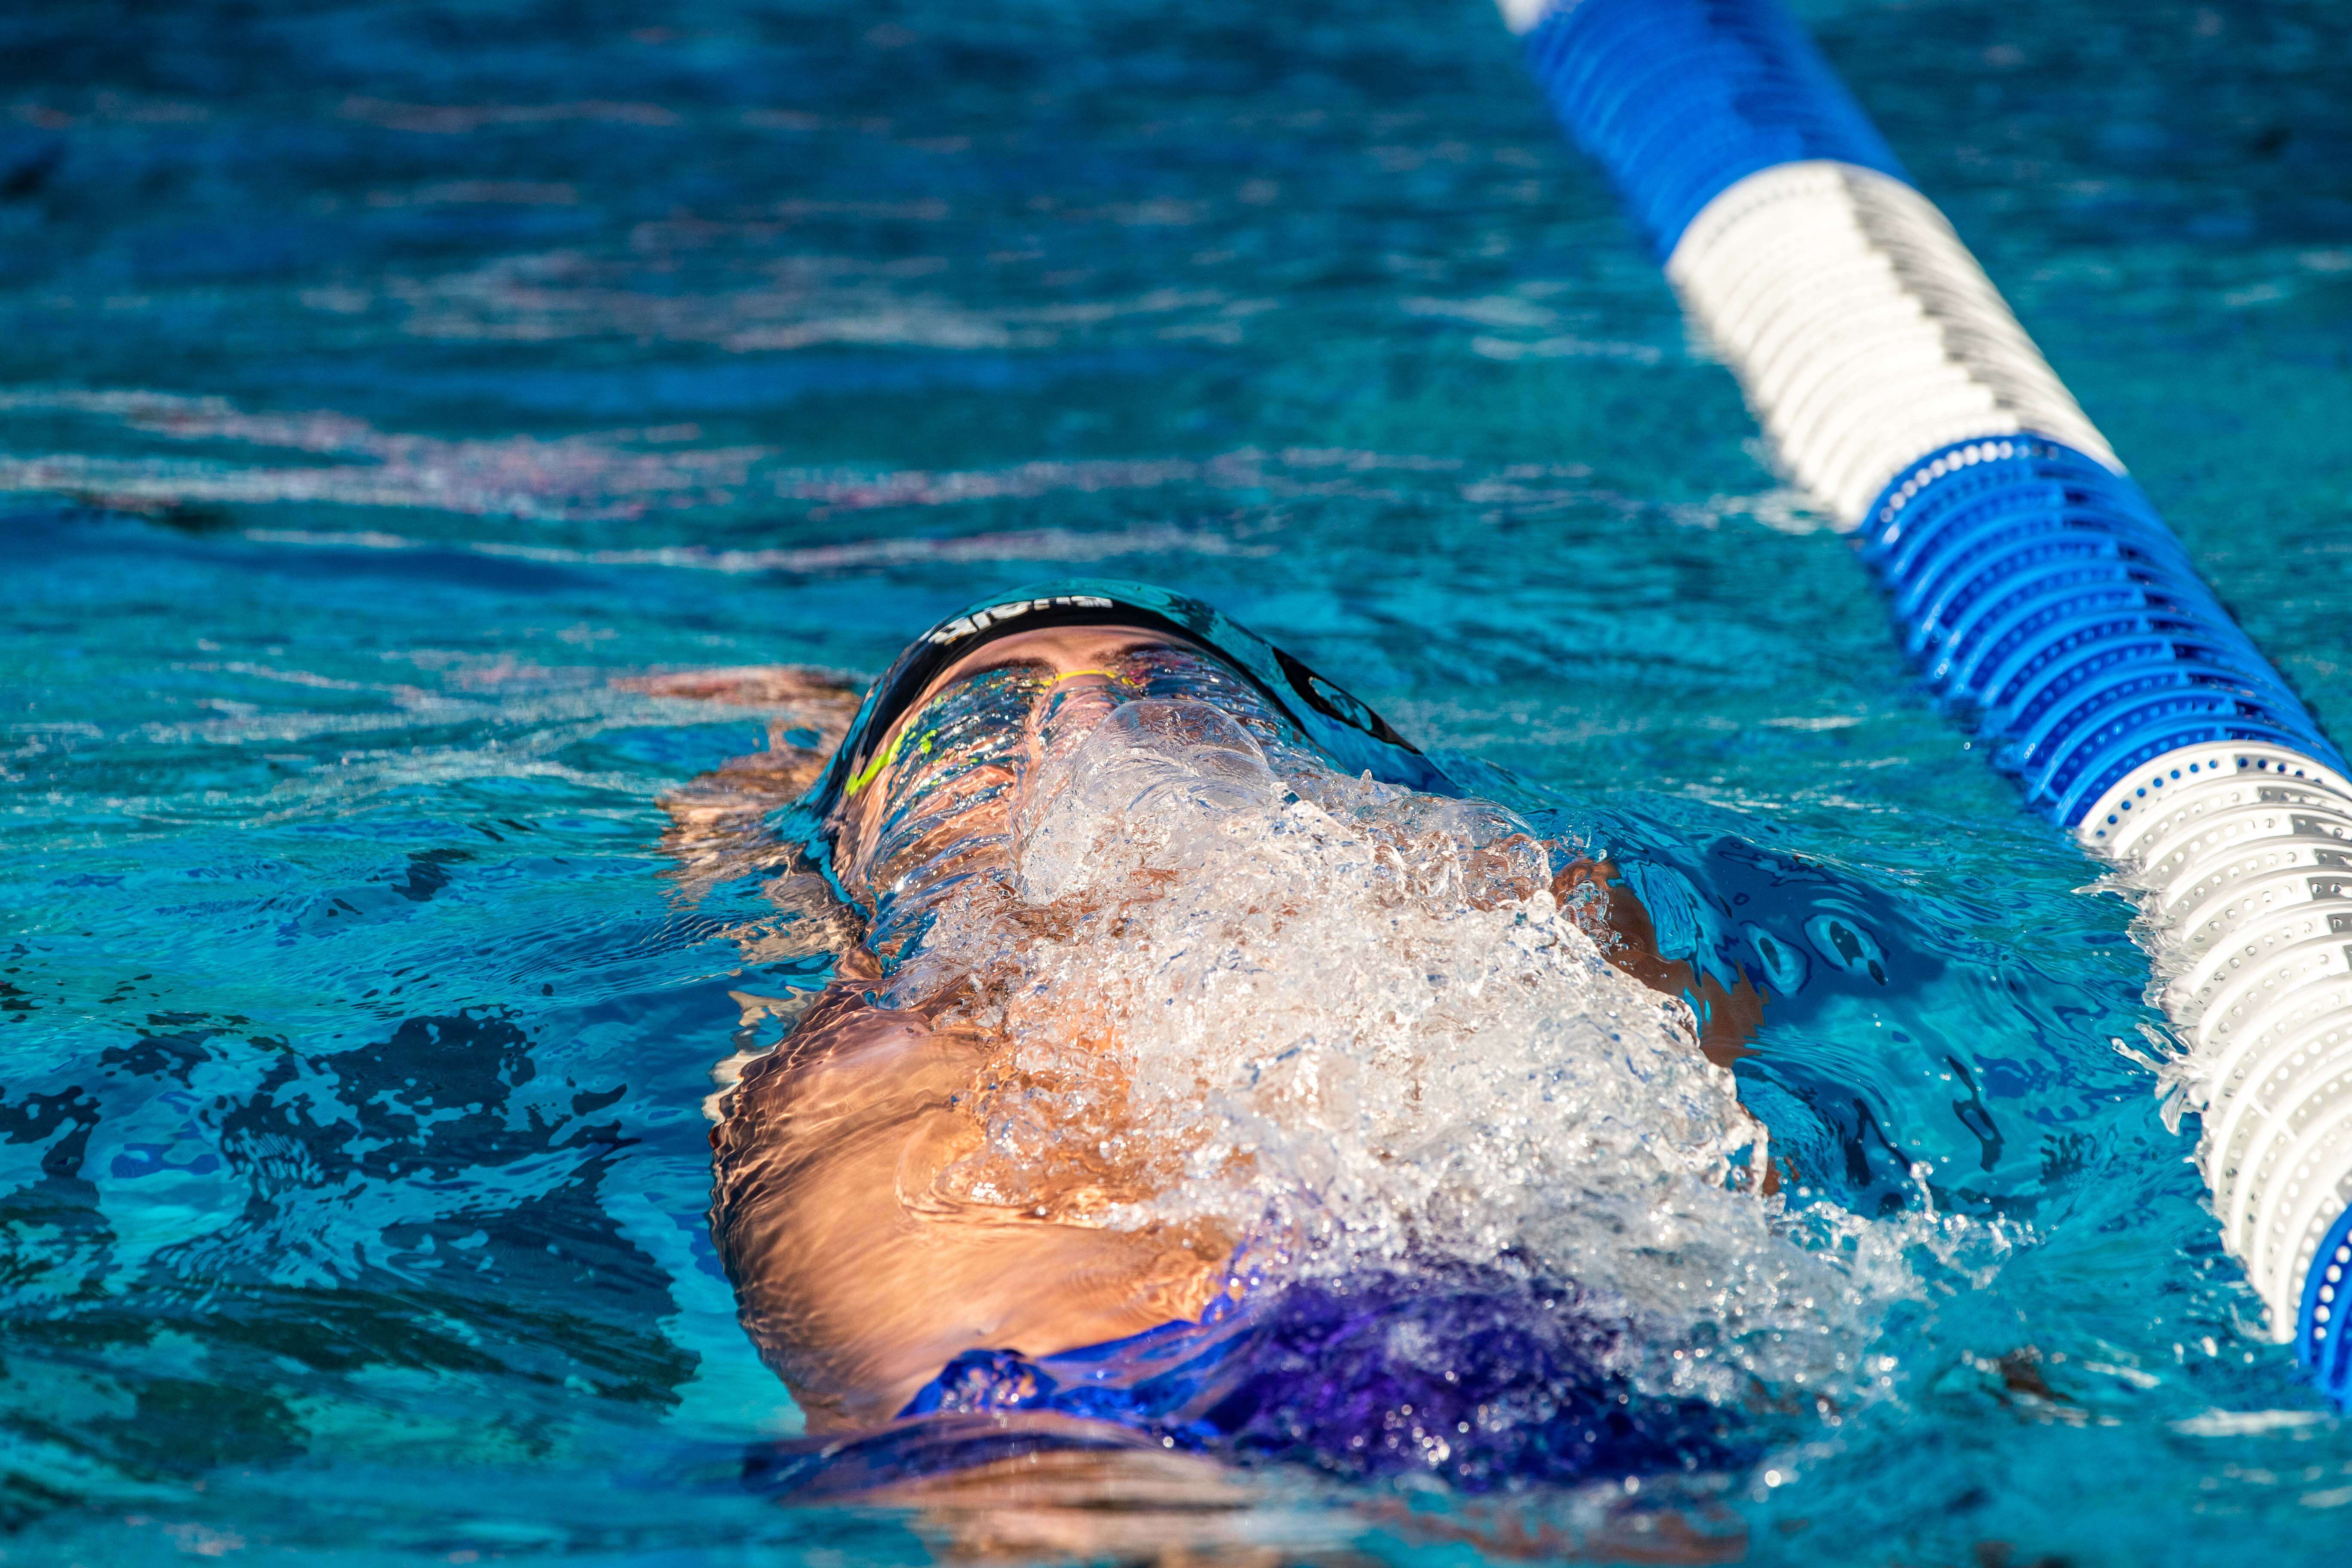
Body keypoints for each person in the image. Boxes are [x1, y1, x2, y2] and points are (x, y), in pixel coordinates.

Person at [695, 582, 1769, 1484]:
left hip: (1458, 1345)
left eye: (1172, 693)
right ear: (861, 846)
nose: (1084, 731)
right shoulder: (861, 988)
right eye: (976, 728)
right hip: (1040, 1425)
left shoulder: (1465, 891)